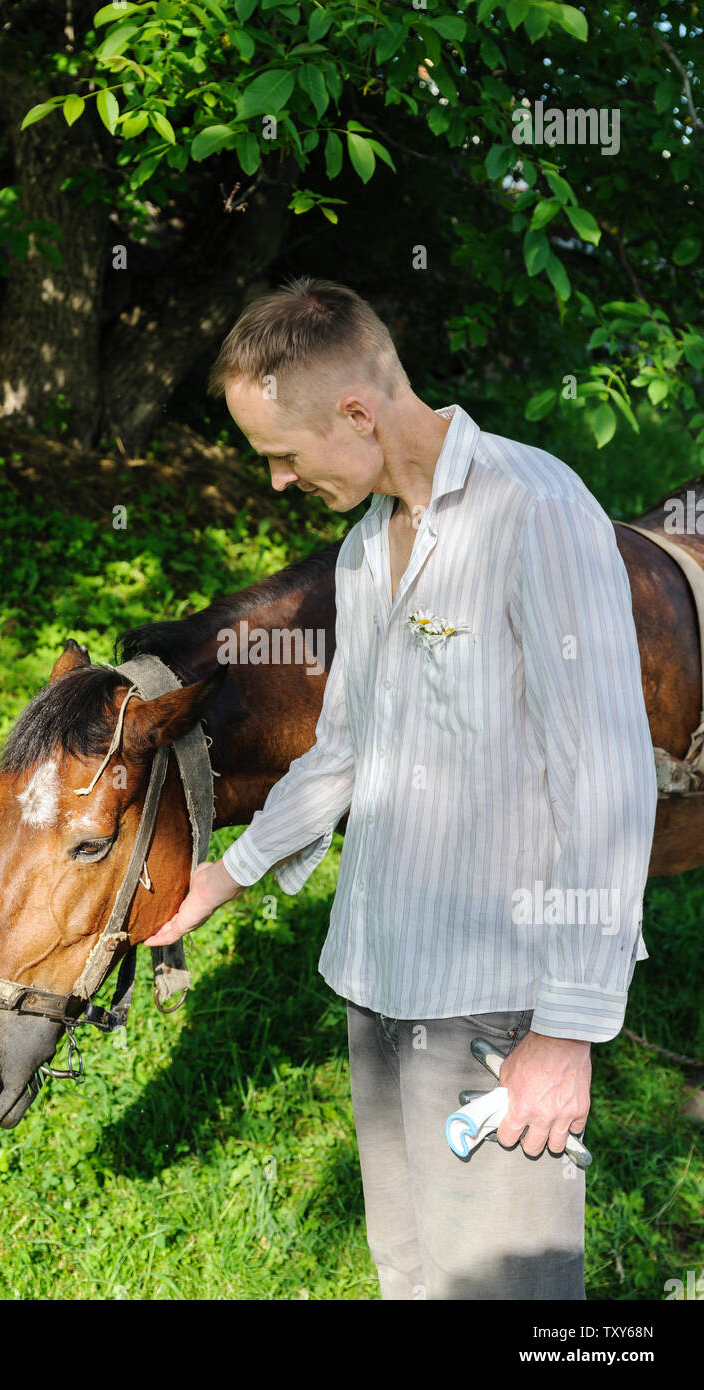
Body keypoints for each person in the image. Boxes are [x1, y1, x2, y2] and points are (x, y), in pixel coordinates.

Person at [145, 276, 658, 1300]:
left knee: (503, 1292)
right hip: (375, 984)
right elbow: (342, 751)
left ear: (356, 412)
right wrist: (221, 880)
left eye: (282, 456)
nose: (278, 483)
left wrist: (564, 1033)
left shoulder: (537, 510)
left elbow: (609, 776)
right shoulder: (363, 548)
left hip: (495, 1003)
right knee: (413, 1280)